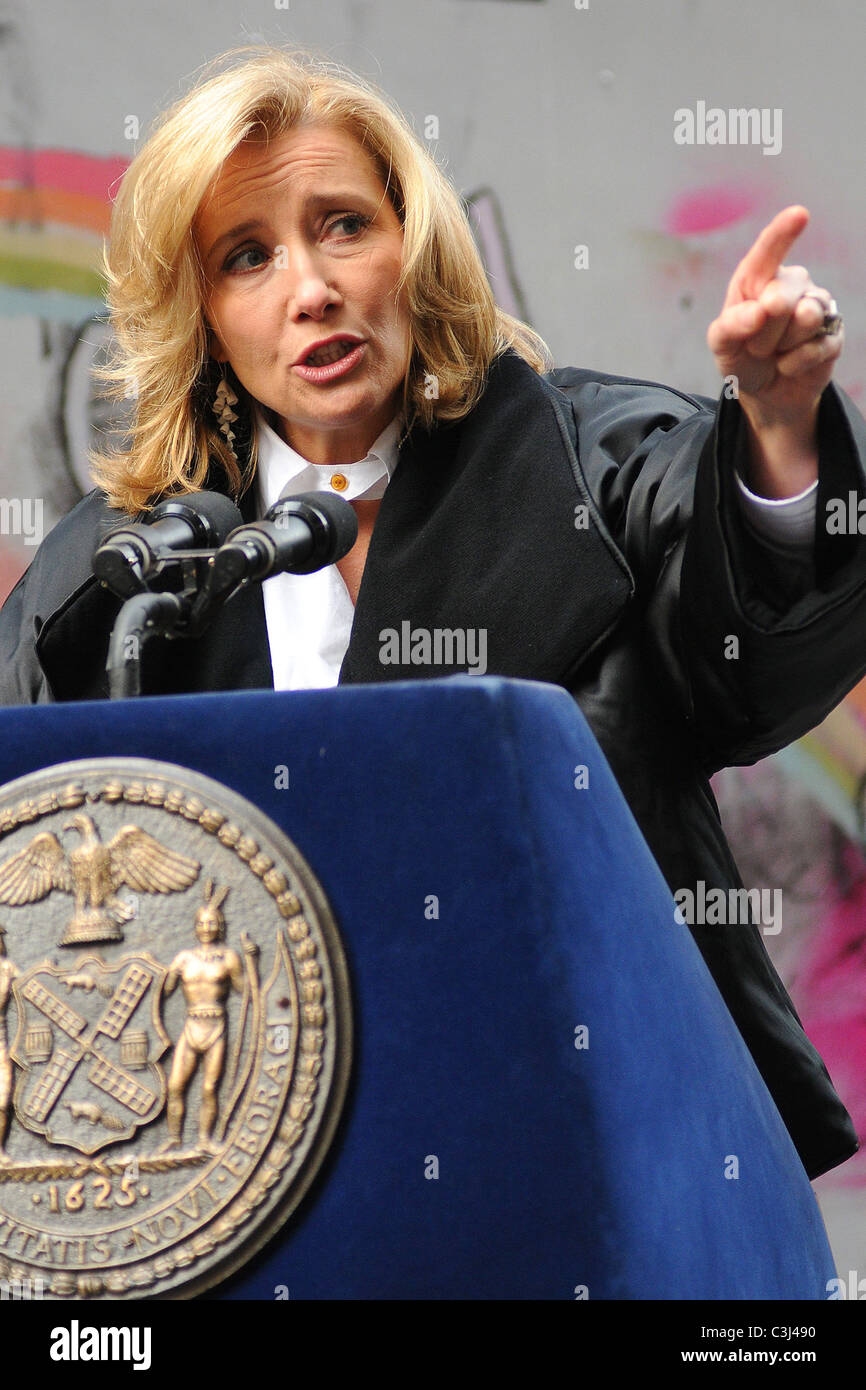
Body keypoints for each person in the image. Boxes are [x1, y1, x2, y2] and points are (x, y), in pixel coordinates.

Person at [0, 44, 863, 1180]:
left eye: (344, 225)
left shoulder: (586, 466)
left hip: (598, 1142)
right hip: (242, 1183)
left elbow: (746, 631)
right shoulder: (115, 586)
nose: (310, 286)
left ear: (414, 244)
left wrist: (778, 425)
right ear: (201, 312)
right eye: (247, 256)